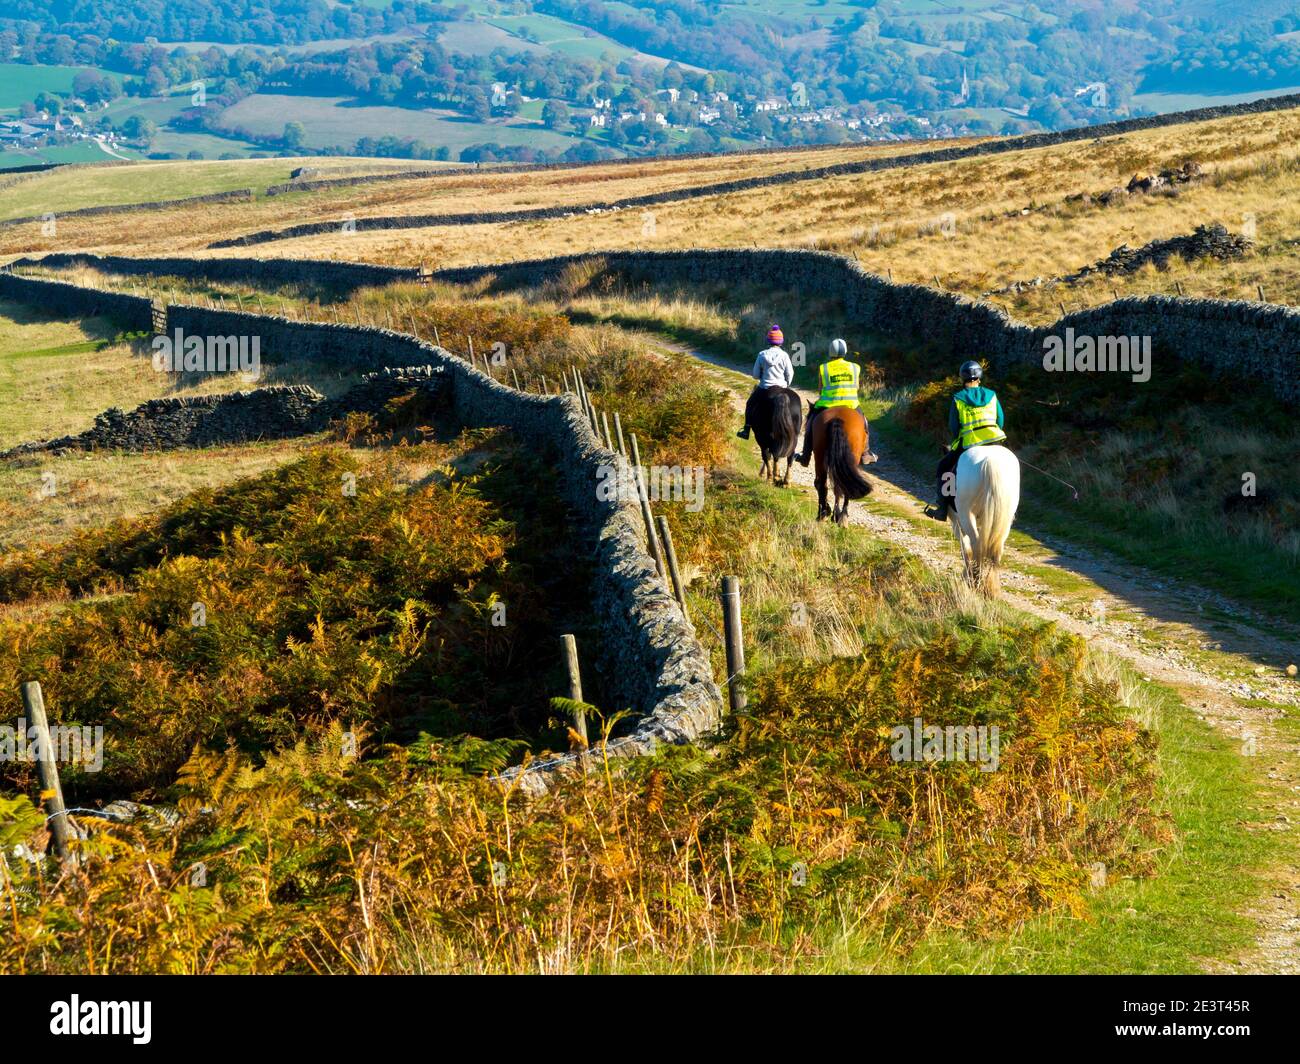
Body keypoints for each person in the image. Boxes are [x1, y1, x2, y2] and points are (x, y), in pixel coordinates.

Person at [924, 360, 1007, 521]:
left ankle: (942, 509)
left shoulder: (958, 398)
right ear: (980, 377)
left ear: (962, 378)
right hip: (994, 440)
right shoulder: (992, 395)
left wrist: (956, 440)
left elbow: (954, 426)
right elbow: (1001, 420)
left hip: (970, 442)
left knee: (944, 469)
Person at [796, 339, 867, 466]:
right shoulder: (855, 367)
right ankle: (866, 452)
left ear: (831, 352)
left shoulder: (824, 368)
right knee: (864, 422)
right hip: (851, 404)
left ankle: (805, 455)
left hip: (827, 405)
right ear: (845, 352)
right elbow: (856, 387)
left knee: (811, 423)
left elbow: (820, 389)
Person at [737, 325, 796, 439]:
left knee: (750, 403)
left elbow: (755, 375)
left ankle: (746, 429)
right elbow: (790, 373)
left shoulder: (762, 354)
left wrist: (762, 377)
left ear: (768, 340)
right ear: (781, 341)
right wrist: (787, 384)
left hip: (764, 387)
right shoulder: (784, 355)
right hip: (781, 387)